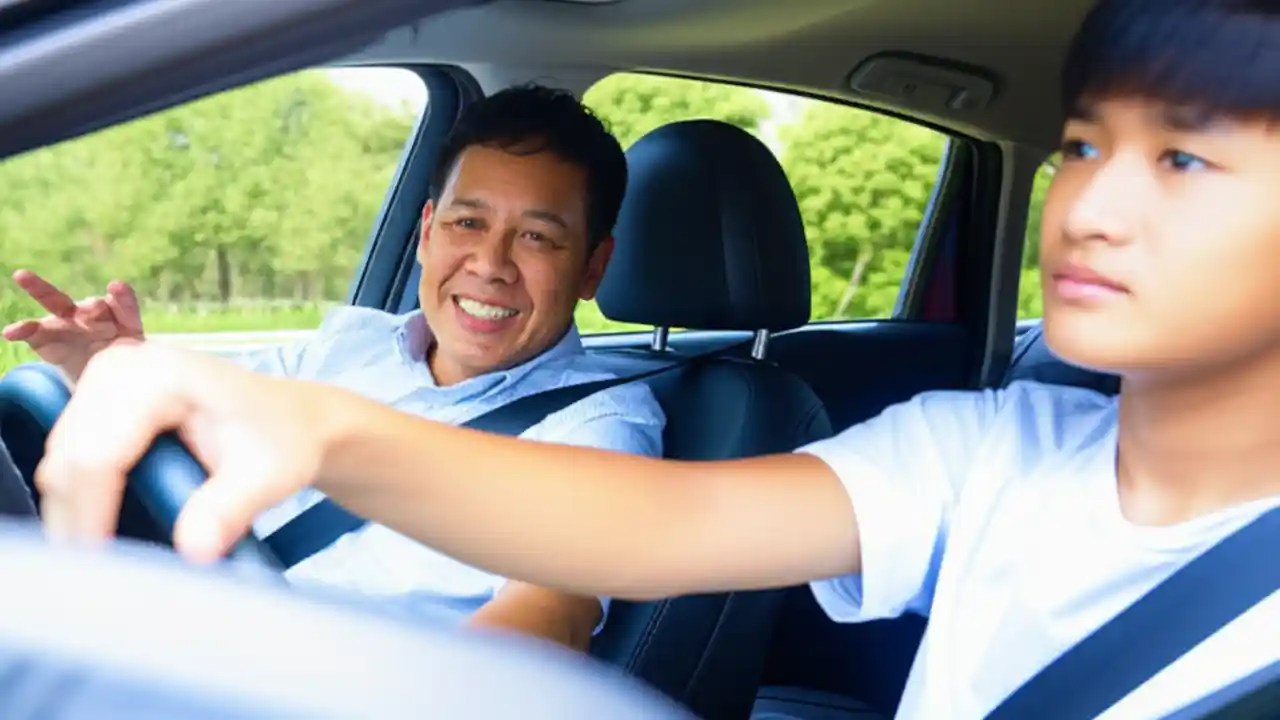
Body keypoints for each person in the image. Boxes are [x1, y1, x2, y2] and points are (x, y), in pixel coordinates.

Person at [30, 0, 1280, 716]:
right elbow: (652, 529)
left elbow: (562, 593)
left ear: (594, 264)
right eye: (1075, 146)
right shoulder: (982, 453)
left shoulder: (618, 408)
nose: (1089, 207)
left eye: (1179, 157)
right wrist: (304, 422)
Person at [3, 84, 666, 651]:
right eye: (468, 223)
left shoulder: (599, 425)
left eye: (536, 237)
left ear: (592, 268)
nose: (490, 264)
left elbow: (549, 616)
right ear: (428, 231)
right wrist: (110, 367)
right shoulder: (347, 345)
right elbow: (197, 406)